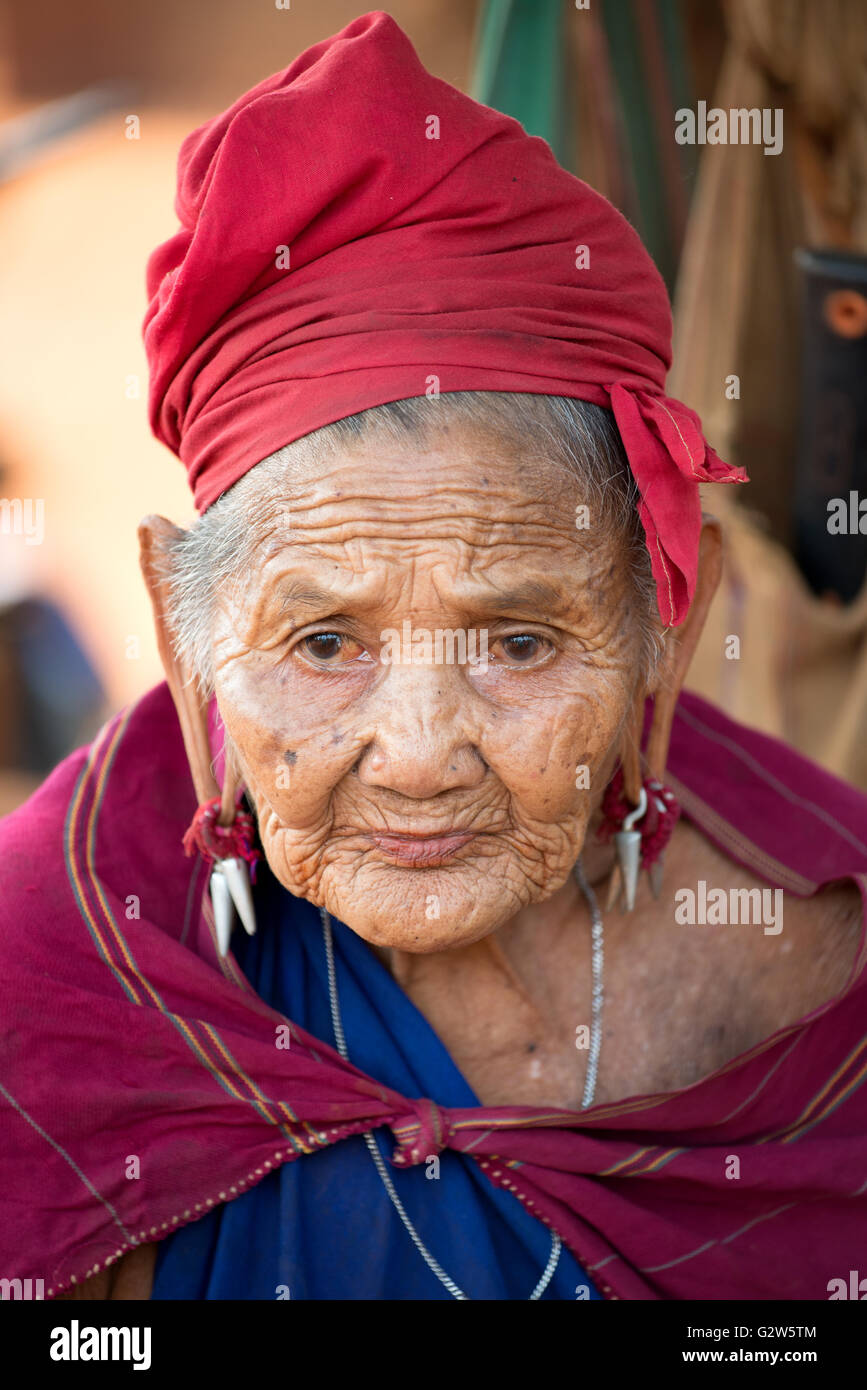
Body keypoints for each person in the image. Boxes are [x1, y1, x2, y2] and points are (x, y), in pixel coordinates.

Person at [2, 11, 865, 1303]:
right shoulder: (54, 966)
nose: (415, 756)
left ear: (662, 626)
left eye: (518, 640)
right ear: (184, 633)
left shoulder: (828, 983)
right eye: (325, 640)